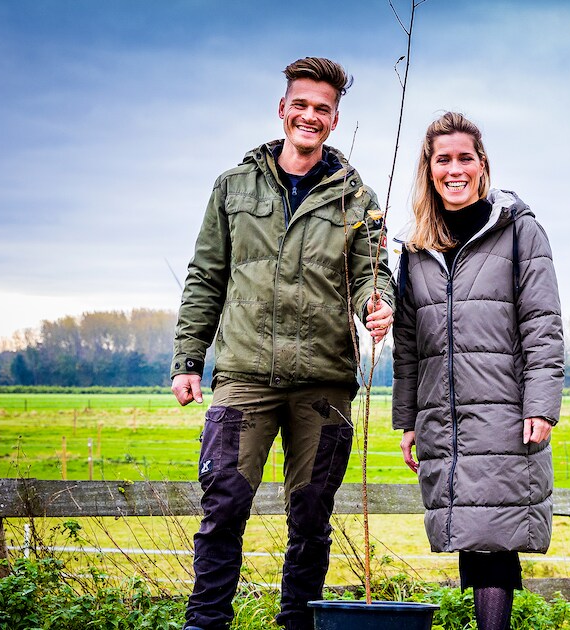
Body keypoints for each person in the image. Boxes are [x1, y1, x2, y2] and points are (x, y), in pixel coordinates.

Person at [170, 57, 394, 630]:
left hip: (323, 383)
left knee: (312, 516)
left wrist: (378, 302)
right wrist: (189, 359)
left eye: (322, 108)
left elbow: (372, 272)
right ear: (282, 109)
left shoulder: (357, 198)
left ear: (334, 119)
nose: (310, 116)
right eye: (301, 105)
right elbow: (205, 277)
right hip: (244, 376)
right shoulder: (233, 187)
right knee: (224, 503)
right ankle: (206, 623)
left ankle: (298, 624)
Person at [392, 112, 564, 630]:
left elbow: (543, 325)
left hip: (503, 411)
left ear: (482, 164)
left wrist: (541, 407)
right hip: (442, 417)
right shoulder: (415, 250)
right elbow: (407, 345)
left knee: (494, 536)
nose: (455, 170)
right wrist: (407, 421)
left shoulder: (519, 232)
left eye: (465, 158)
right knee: (470, 532)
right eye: (443, 160)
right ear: (429, 169)